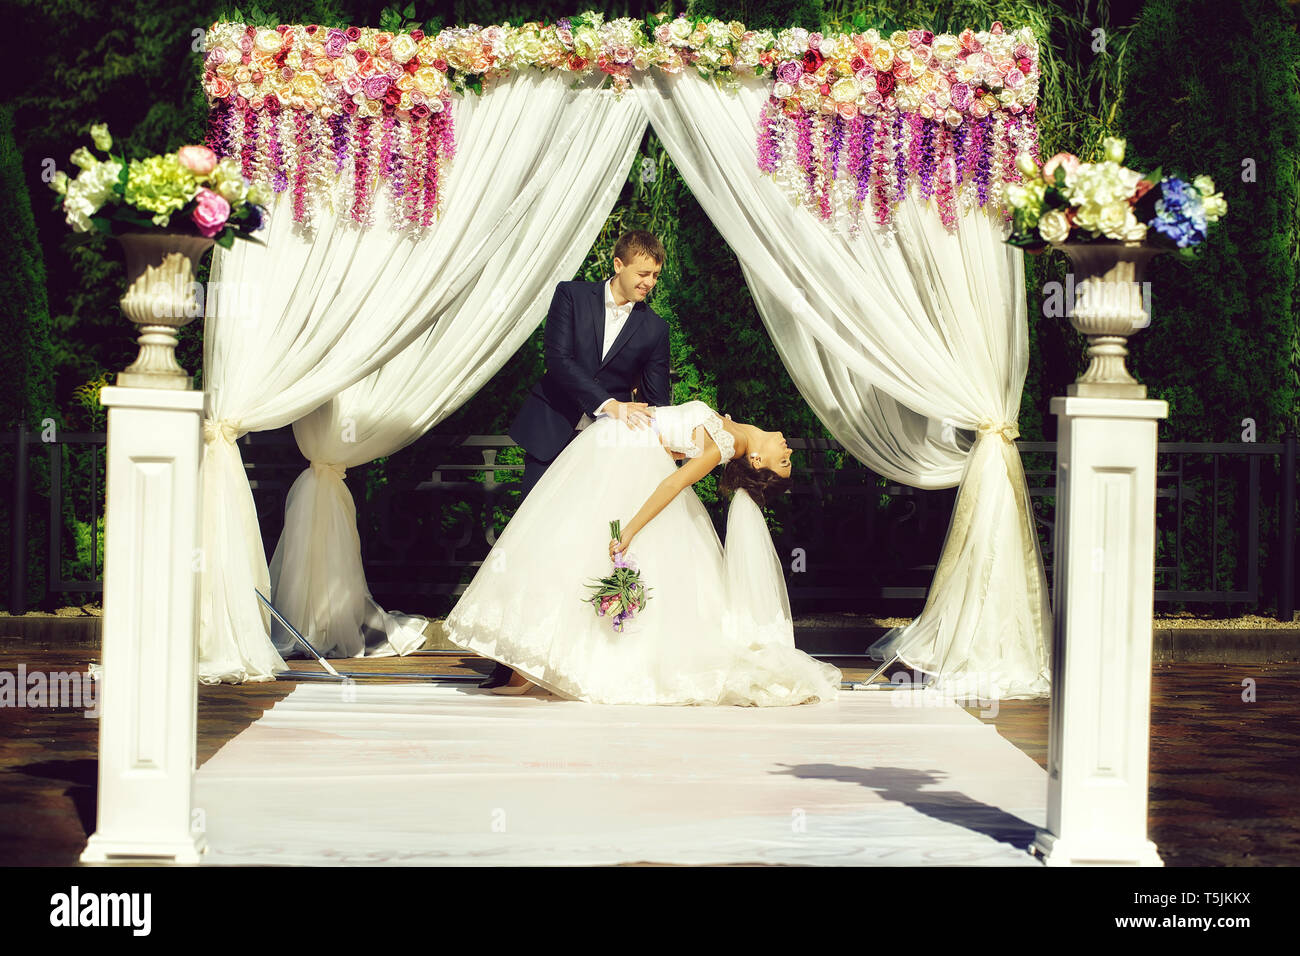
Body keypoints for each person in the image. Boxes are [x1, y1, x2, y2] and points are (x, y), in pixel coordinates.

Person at [443, 399, 843, 706]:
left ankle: (532, 663)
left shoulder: (726, 443)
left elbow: (671, 486)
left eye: (784, 461)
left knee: (566, 542)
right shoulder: (728, 429)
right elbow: (675, 447)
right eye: (789, 458)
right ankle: (527, 661)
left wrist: (631, 530)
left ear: (755, 461)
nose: (787, 449)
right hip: (622, 444)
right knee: (566, 542)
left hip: (619, 452)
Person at [477, 230, 671, 688]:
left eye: (656, 276)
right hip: (550, 435)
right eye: (643, 273)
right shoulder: (571, 295)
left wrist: (673, 432)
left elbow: (659, 397)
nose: (650, 283)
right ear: (618, 264)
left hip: (604, 456)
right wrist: (610, 404)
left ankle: (572, 658)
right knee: (528, 544)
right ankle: (509, 661)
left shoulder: (655, 328)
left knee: (584, 548)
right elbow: (559, 361)